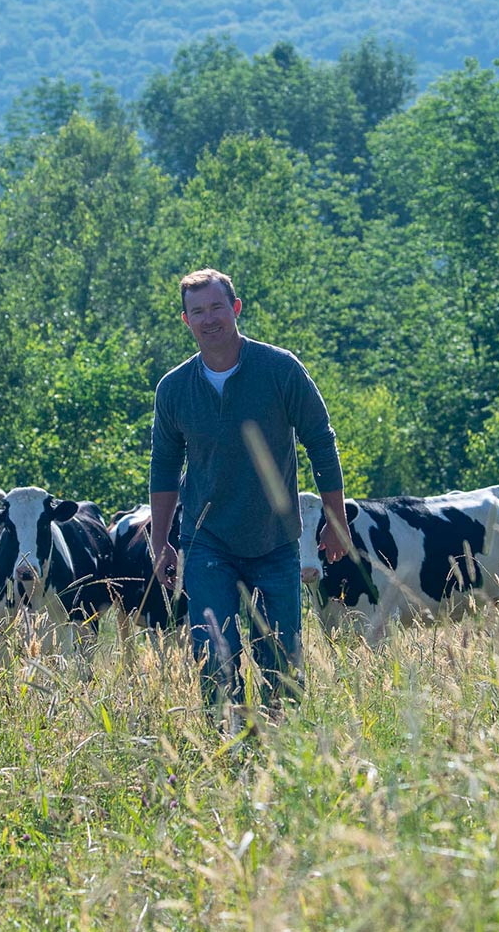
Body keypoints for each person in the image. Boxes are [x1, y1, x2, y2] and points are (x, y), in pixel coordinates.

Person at [149, 268, 349, 717]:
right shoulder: (174, 389)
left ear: (235, 309)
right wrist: (160, 542)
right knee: (215, 656)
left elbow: (320, 440)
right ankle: (227, 748)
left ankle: (283, 750)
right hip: (205, 542)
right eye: (197, 311)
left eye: (217, 307)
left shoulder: (280, 370)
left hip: (274, 538)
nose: (209, 319)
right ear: (185, 321)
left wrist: (336, 523)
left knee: (281, 657)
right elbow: (164, 466)